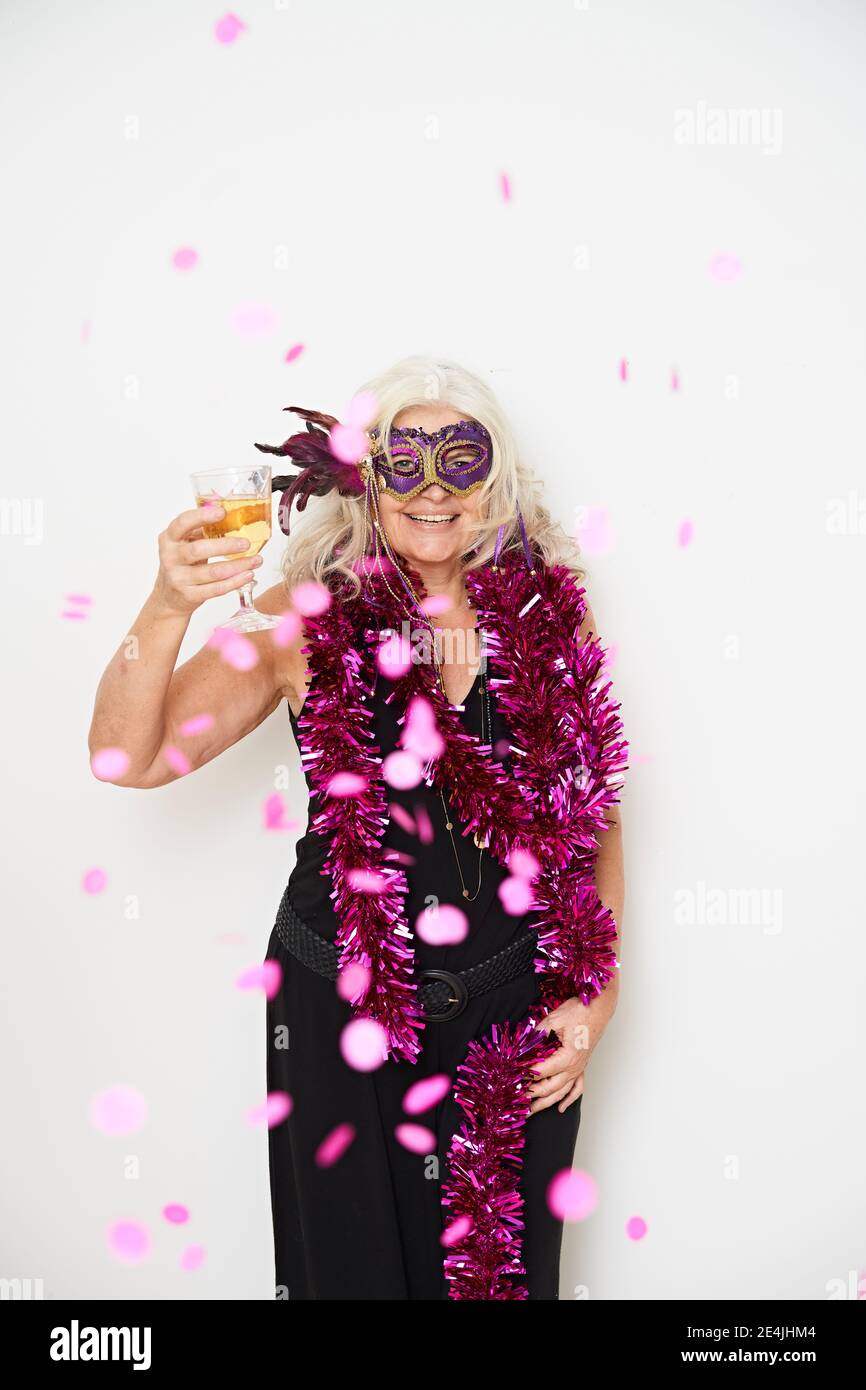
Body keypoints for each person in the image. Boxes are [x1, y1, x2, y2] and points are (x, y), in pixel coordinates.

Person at [89, 354, 627, 1301]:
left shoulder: (546, 620)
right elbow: (128, 757)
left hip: (512, 1013)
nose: (431, 490)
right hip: (343, 1007)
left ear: (495, 483)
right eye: (404, 461)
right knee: (353, 1274)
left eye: (460, 461)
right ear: (362, 480)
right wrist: (172, 601)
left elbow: (596, 820)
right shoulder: (300, 621)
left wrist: (595, 997)